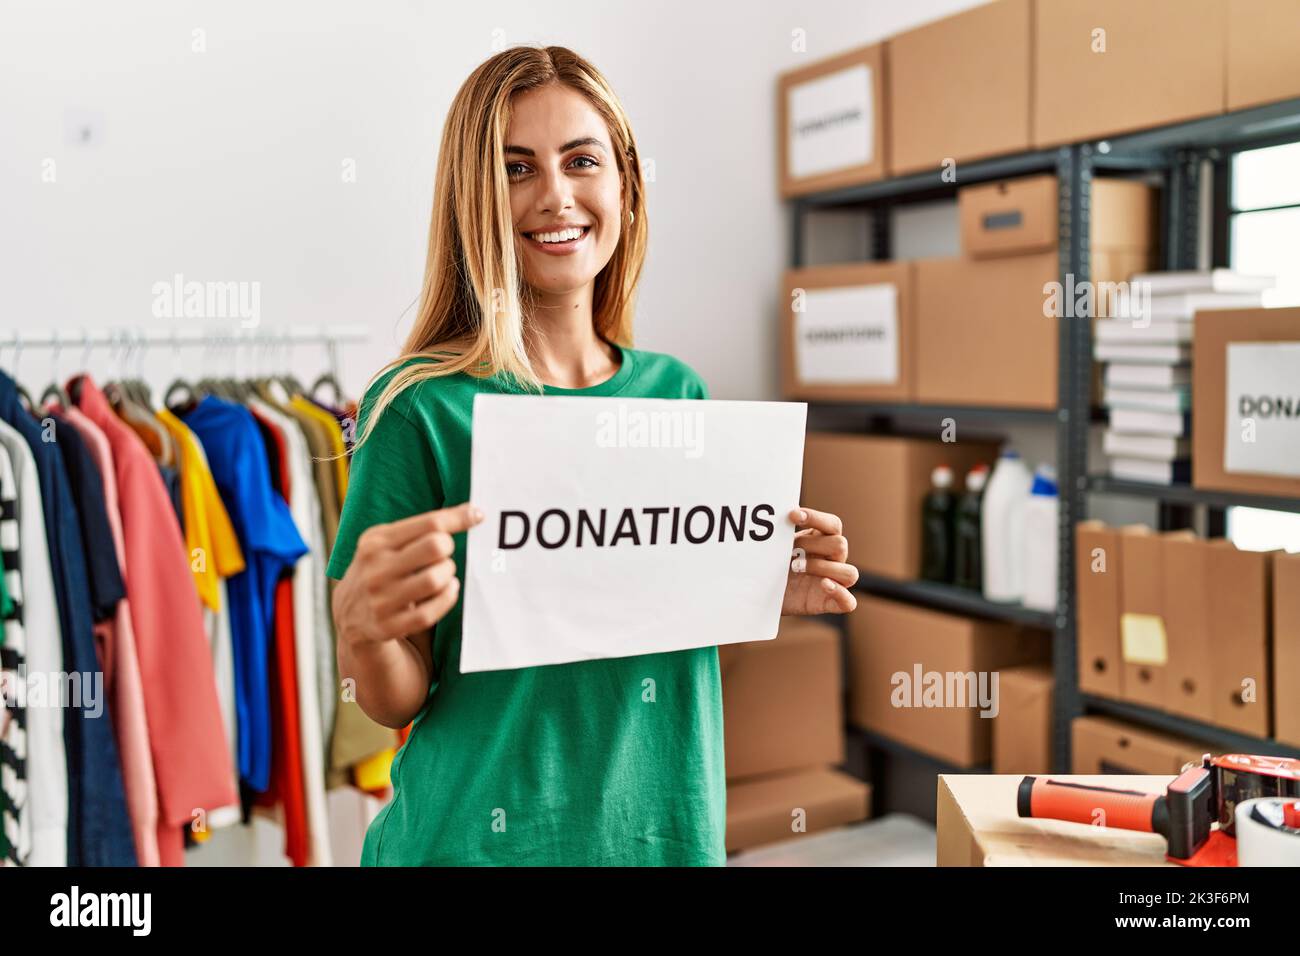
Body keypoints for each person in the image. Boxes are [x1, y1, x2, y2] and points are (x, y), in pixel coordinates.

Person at [326, 45, 859, 866]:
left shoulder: (677, 393)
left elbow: (638, 618)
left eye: (582, 160)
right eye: (516, 168)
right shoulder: (419, 408)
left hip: (663, 841)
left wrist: (754, 580)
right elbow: (394, 694)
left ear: (624, 187)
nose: (555, 196)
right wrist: (361, 633)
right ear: (473, 197)